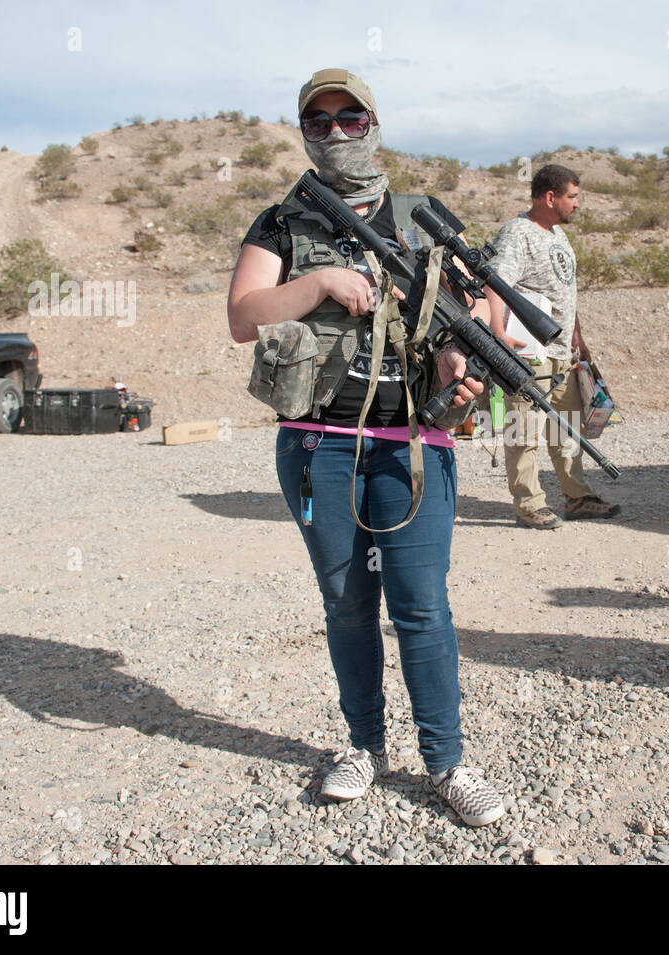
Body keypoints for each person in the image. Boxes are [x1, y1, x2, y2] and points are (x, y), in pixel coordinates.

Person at [226, 68, 504, 826]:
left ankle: (445, 762)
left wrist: (460, 355)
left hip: (410, 444)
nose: (338, 132)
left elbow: (486, 309)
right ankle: (365, 746)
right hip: (320, 445)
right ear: (305, 133)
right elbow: (245, 315)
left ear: (374, 123)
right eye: (321, 122)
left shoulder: (421, 218)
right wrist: (320, 284)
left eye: (352, 118)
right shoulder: (283, 221)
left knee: (422, 606)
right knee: (349, 605)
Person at [484, 164, 620, 529]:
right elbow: (494, 282)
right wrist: (498, 335)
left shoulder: (558, 235)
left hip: (563, 354)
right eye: (572, 197)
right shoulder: (518, 233)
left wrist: (581, 346)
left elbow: (565, 295)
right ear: (550, 197)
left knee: (567, 432)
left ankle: (578, 498)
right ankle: (529, 504)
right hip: (530, 354)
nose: (577, 204)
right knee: (523, 431)